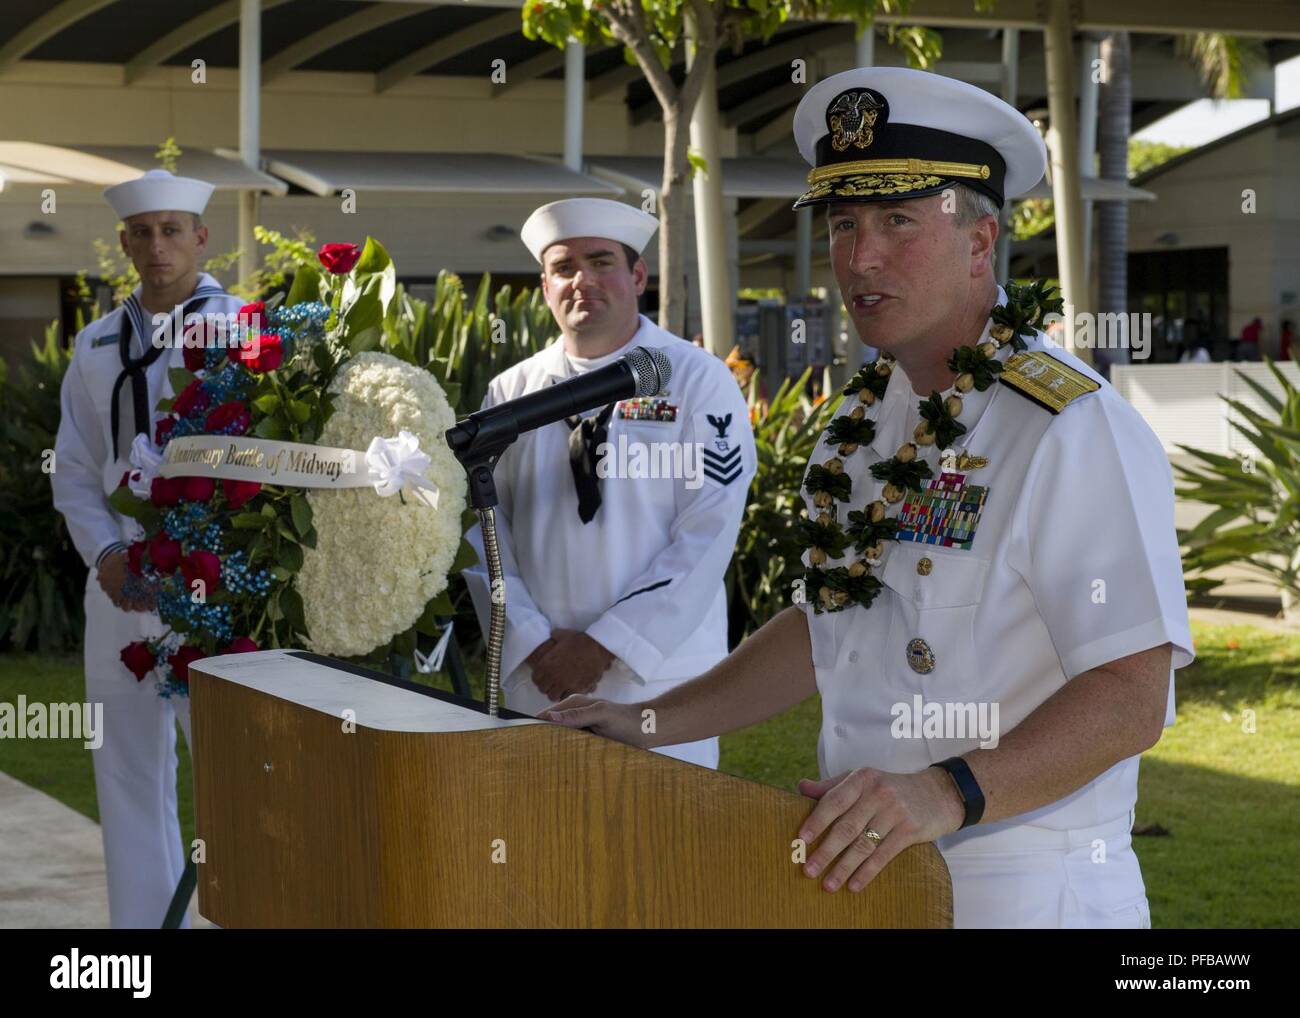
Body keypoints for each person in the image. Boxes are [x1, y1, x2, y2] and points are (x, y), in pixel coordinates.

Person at [545, 68, 1194, 928]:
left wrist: (944, 793)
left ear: (980, 240)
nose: (861, 257)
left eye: (897, 221)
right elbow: (827, 627)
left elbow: (1131, 691)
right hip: (870, 884)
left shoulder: (1069, 426)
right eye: (844, 224)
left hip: (1028, 889)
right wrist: (649, 718)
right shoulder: (861, 420)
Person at [463, 198, 755, 768]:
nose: (583, 281)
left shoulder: (695, 379)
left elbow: (709, 528)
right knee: (542, 844)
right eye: (564, 267)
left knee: (662, 846)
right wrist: (528, 642)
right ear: (545, 285)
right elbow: (486, 531)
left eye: (601, 262)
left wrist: (606, 645)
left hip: (658, 683)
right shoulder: (510, 392)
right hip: (539, 678)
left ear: (638, 276)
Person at [51, 169, 244, 927]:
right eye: (142, 232)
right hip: (120, 585)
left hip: (215, 584)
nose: (157, 246)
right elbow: (73, 471)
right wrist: (106, 557)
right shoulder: (96, 342)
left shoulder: (245, 330)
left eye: (172, 230)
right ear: (125, 243)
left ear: (201, 237)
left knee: (232, 772)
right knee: (126, 768)